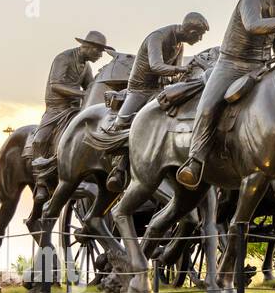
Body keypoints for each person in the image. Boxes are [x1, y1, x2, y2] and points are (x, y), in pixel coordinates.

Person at [175, 0, 275, 189]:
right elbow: (252, 25)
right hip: (232, 65)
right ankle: (195, 159)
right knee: (208, 107)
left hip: (262, 66)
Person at [105, 13, 210, 191]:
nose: (199, 39)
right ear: (190, 30)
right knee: (122, 122)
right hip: (140, 90)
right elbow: (156, 66)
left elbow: (175, 75)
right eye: (198, 35)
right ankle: (118, 168)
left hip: (160, 90)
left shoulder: (179, 45)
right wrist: (180, 68)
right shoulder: (158, 37)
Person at [24, 31, 113, 182]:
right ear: (86, 46)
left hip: (75, 108)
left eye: (101, 51)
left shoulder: (86, 67)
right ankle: (40, 179)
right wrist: (83, 95)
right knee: (41, 138)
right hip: (56, 108)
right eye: (97, 50)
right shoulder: (63, 58)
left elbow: (90, 88)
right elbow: (56, 85)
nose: (100, 54)